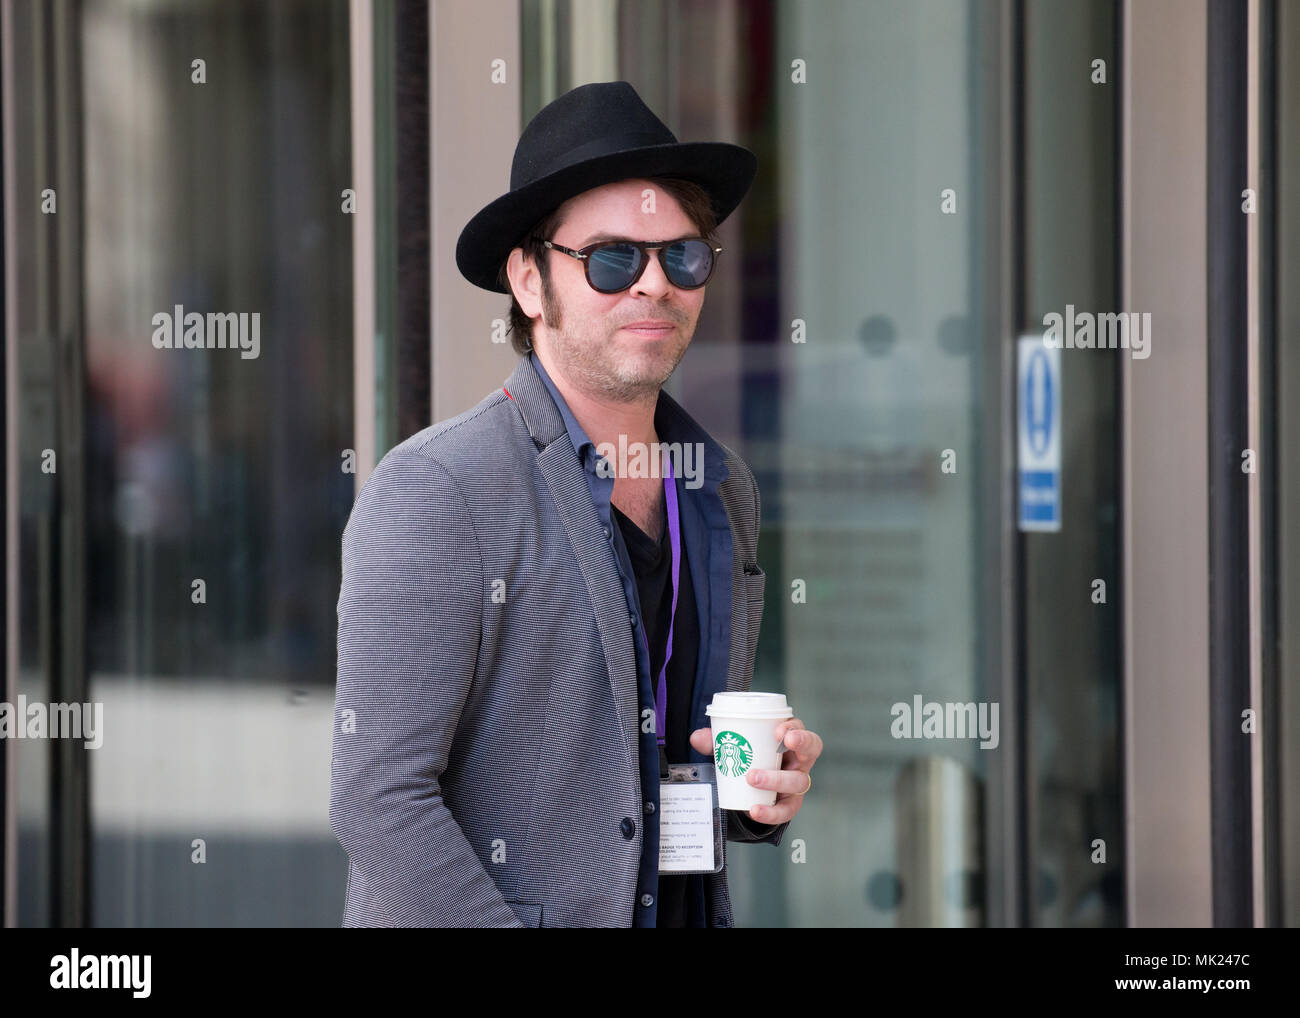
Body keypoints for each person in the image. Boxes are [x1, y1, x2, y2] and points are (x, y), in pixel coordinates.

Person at [330, 80, 822, 927]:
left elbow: (650, 763)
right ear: (528, 280)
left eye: (684, 255)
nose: (654, 285)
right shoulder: (439, 488)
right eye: (612, 258)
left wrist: (755, 794)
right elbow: (377, 800)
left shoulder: (720, 487)